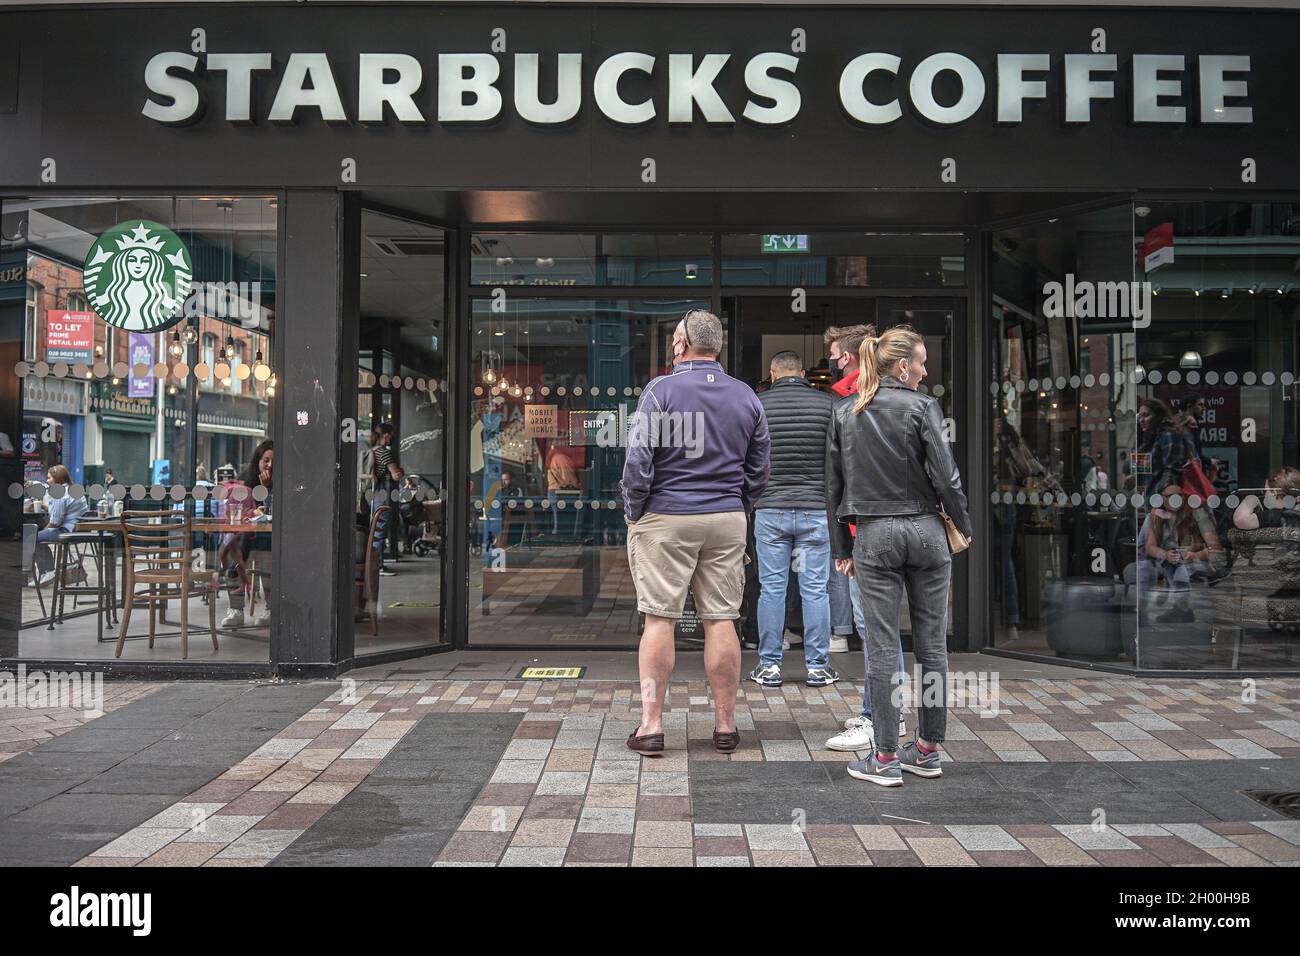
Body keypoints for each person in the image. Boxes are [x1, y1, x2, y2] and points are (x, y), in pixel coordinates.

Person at [827, 325, 972, 787]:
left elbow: (833, 486)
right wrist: (962, 525)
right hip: (928, 531)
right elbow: (947, 478)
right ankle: (927, 750)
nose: (926, 372)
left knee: (884, 647)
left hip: (873, 534)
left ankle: (885, 756)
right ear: (903, 366)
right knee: (933, 646)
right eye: (923, 363)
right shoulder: (923, 407)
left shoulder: (846, 411)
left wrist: (841, 548)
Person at [622, 309, 769, 755]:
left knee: (659, 619)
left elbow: (638, 461)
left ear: (681, 344)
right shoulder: (746, 396)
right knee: (722, 618)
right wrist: (738, 506)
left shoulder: (660, 391)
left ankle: (651, 726)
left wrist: (635, 510)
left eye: (673, 338)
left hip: (666, 516)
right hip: (726, 517)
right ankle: (725, 725)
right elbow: (759, 470)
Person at [748, 350, 837, 688]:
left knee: (772, 589)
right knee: (815, 589)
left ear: (772, 374)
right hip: (816, 509)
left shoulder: (758, 405)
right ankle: (818, 666)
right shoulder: (827, 405)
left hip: (771, 508)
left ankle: (769, 666)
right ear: (802, 373)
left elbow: (748, 458)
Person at [824, 324, 876, 654]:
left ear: (845, 357)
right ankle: (887, 703)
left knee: (871, 622)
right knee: (880, 620)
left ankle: (879, 706)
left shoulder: (844, 404)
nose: (831, 362)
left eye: (832, 357)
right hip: (902, 522)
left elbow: (836, 481)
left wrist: (842, 548)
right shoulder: (907, 397)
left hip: (863, 525)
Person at [1138, 482, 1222, 624]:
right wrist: (1166, 555)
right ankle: (1148, 612)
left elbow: (1214, 547)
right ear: (1162, 498)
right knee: (1148, 569)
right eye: (1171, 496)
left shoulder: (1195, 514)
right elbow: (1149, 548)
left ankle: (1182, 609)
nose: (1176, 499)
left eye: (1180, 495)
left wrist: (1195, 555)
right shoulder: (1155, 516)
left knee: (1180, 570)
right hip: (1156, 557)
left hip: (1179, 559)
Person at [220, 439, 273, 628]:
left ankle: (271, 609)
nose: (270, 465)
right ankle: (236, 610)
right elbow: (235, 510)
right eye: (266, 460)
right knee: (235, 546)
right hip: (247, 534)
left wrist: (267, 489)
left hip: (269, 536)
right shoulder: (245, 481)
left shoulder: (282, 482)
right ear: (258, 460)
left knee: (268, 553)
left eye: (274, 462)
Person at [33, 464, 88, 585]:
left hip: (66, 531)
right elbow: (64, 511)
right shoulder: (72, 489)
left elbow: (55, 522)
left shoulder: (59, 494)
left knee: (33, 537)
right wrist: (43, 506)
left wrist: (43, 530)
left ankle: (48, 571)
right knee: (39, 534)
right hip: (79, 529)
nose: (47, 480)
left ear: (57, 478)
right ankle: (46, 573)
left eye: (49, 478)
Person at [1137, 397, 1190, 499]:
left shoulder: (1168, 435)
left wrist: (1159, 499)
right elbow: (1141, 475)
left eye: (1146, 415)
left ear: (1158, 416)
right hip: (1147, 502)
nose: (1141, 420)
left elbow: (1171, 471)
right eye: (1140, 416)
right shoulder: (1147, 441)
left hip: (1161, 503)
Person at [1233, 466, 1300, 530]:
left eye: (1265, 491)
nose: (1264, 494)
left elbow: (1240, 520)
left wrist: (1250, 499)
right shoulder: (1295, 513)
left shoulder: (1278, 516)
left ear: (1274, 492)